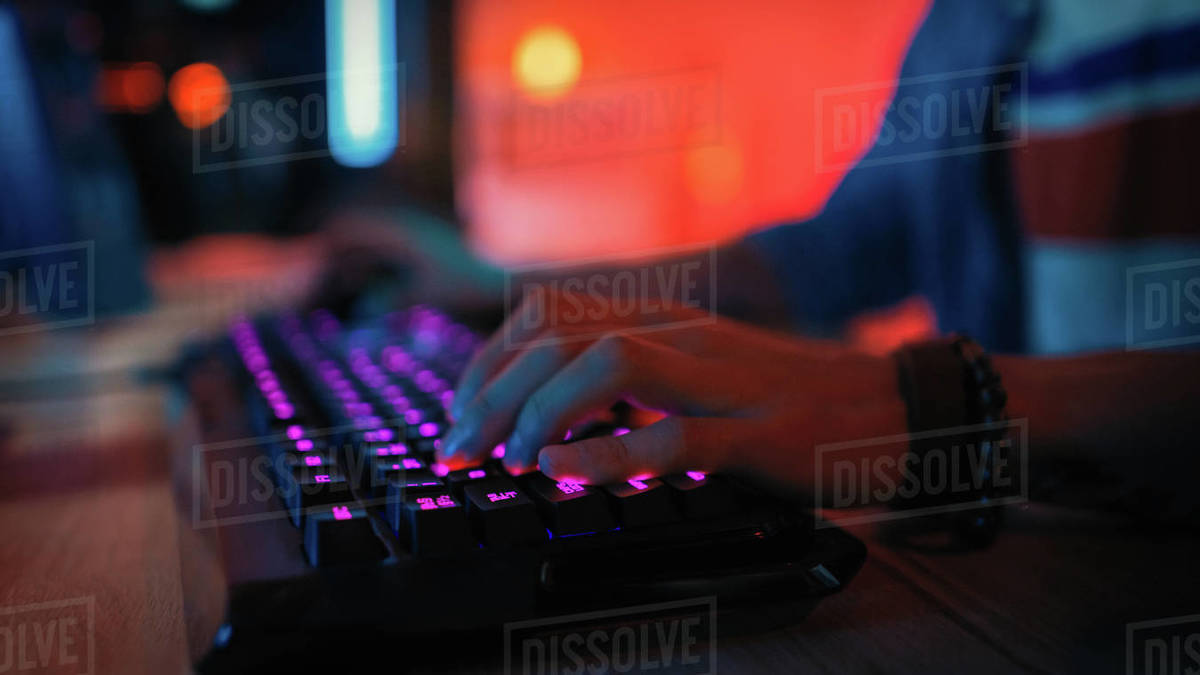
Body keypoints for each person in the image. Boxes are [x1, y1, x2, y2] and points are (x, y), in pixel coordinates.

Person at [313, 0, 1200, 522]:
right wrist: (493, 286)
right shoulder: (967, 23)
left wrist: (920, 405)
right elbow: (820, 259)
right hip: (1036, 556)